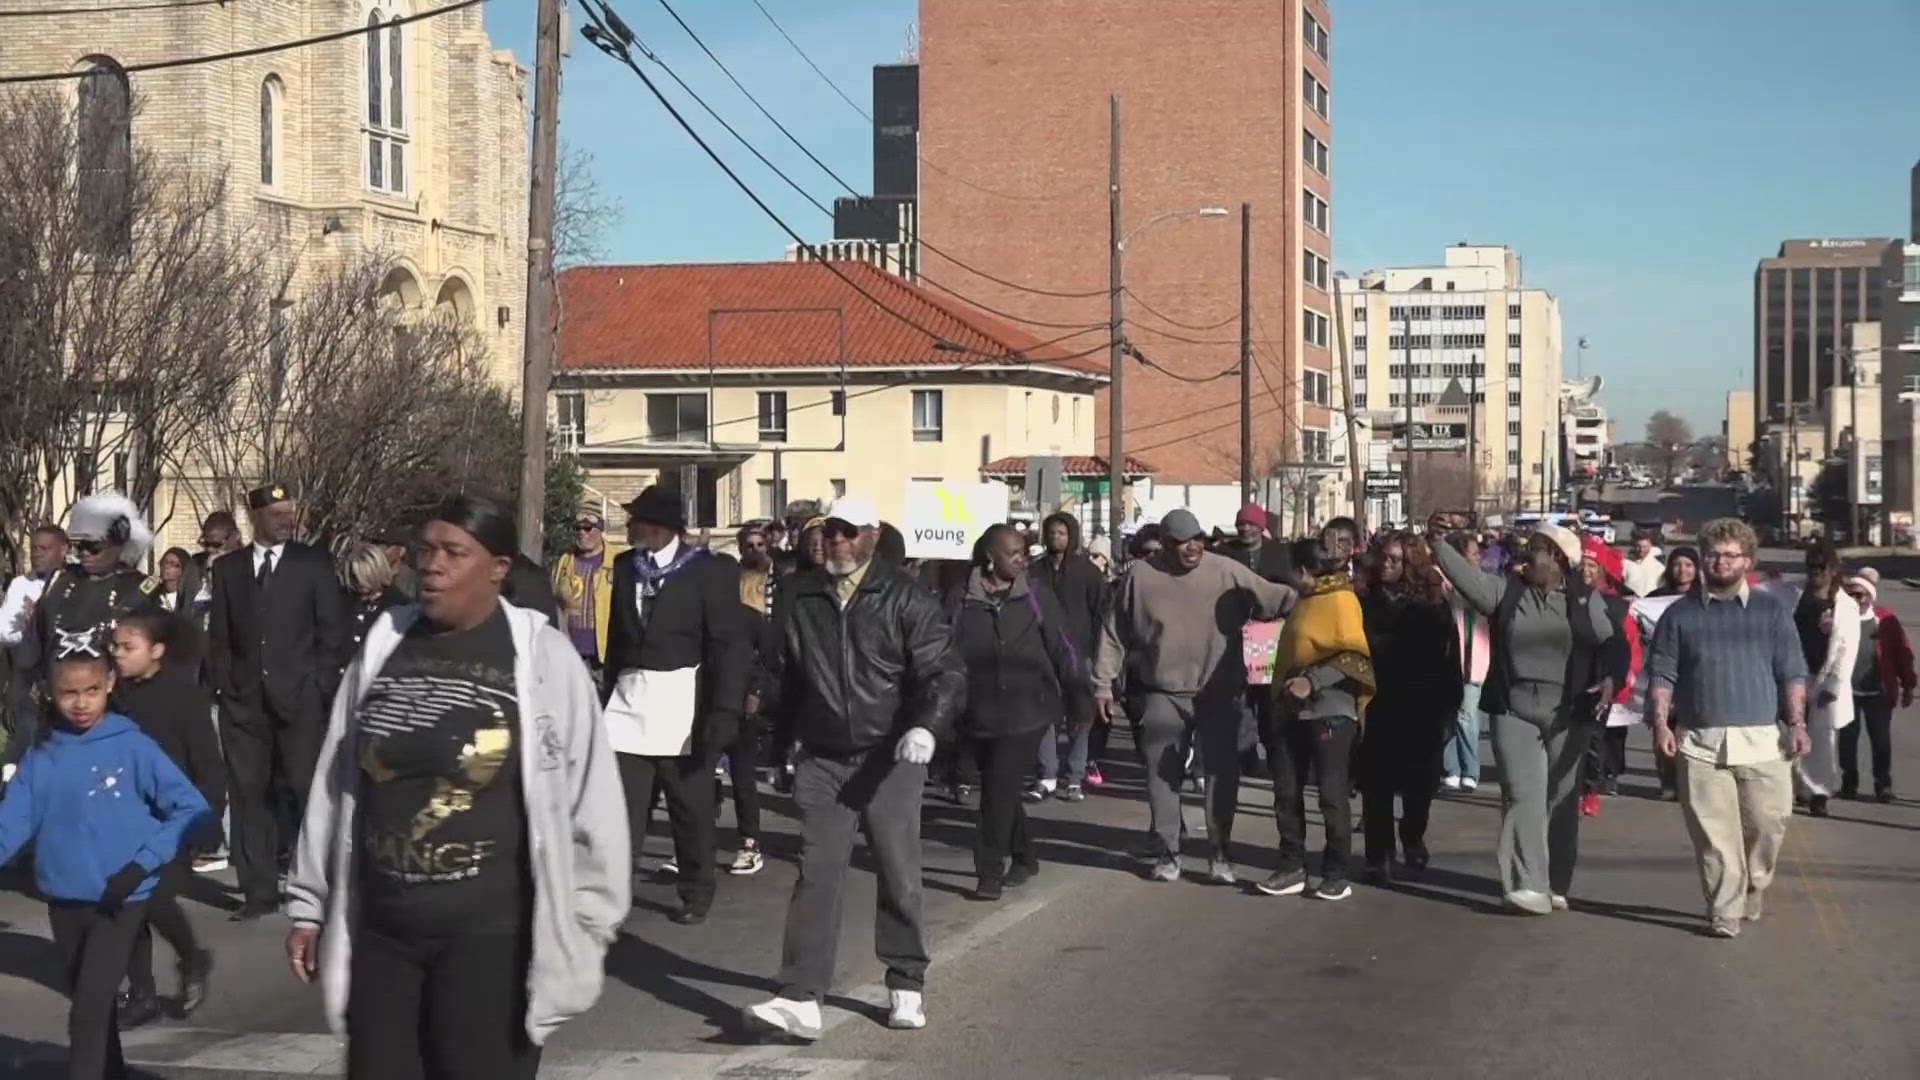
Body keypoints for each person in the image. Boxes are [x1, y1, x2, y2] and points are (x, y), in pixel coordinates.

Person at [284, 495, 629, 1079]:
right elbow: (337, 783)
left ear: (497, 567)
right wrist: (310, 906)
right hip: (384, 935)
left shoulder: (542, 658)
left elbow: (591, 798)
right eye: (426, 551)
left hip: (493, 939)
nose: (432, 565)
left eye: (453, 552)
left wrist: (589, 922)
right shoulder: (385, 644)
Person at [745, 495, 963, 1040]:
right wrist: (779, 751)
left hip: (890, 755)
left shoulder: (905, 598)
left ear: (871, 535)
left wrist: (925, 727)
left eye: (846, 532)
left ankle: (906, 980)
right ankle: (800, 995)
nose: (835, 541)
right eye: (829, 532)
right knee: (816, 873)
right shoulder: (801, 595)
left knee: (897, 871)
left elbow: (944, 670)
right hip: (822, 757)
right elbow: (792, 680)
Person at [0, 635, 208, 1080]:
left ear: (110, 684)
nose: (81, 703)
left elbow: (190, 805)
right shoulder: (43, 754)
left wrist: (141, 865)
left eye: (91, 691)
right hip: (64, 899)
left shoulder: (132, 747)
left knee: (87, 1015)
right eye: (69, 693)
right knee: (93, 1012)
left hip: (122, 898)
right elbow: (10, 824)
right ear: (50, 692)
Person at [1094, 508, 1294, 885]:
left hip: (1219, 692)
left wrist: (1317, 595)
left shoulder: (1225, 570)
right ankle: (1168, 852)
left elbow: (1275, 598)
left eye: (1197, 539)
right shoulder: (1141, 575)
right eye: (1183, 541)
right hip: (1162, 691)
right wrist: (1102, 684)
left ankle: (1220, 853)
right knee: (1161, 775)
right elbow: (1113, 632)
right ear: (1165, 544)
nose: (1192, 547)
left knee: (1221, 773)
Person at [1430, 517, 1614, 914]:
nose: (1527, 554)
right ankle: (1528, 886)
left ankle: (1556, 882)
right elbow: (1467, 580)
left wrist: (1610, 679)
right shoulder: (1507, 593)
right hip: (1514, 707)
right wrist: (1439, 542)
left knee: (1561, 800)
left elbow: (1610, 643)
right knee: (1522, 796)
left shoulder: (1583, 599)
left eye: (1538, 550)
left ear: (1559, 559)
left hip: (1568, 710)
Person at [1646, 517, 1810, 938]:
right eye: (1712, 555)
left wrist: (1797, 722)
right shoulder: (1678, 616)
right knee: (1715, 839)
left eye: (1729, 555)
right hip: (1701, 744)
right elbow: (1662, 676)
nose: (1719, 562)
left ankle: (1753, 886)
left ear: (1747, 561)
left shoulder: (1771, 612)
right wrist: (1662, 724)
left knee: (1768, 828)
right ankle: (1724, 907)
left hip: (1763, 742)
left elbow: (1791, 672)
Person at [601, 486, 750, 926]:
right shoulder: (627, 566)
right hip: (628, 700)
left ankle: (696, 889)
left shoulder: (709, 571)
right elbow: (617, 635)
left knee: (690, 808)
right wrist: (607, 690)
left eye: (635, 521)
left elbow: (728, 644)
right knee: (621, 808)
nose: (628, 528)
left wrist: (724, 712)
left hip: (682, 702)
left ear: (658, 527)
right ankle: (613, 897)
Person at [205, 482, 349, 921]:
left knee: (308, 793)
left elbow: (333, 634)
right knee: (249, 796)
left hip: (299, 703)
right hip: (245, 705)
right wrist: (228, 689)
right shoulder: (229, 568)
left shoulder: (312, 564)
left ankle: (322, 887)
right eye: (276, 513)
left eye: (289, 513)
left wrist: (319, 687)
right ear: (255, 517)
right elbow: (222, 637)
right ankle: (259, 892)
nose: (286, 520)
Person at [953, 524, 1090, 901]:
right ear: (989, 557)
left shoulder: (1035, 596)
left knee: (995, 791)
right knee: (1003, 791)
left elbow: (1065, 648)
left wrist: (1081, 699)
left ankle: (988, 872)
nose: (1022, 559)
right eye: (1013, 553)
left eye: (1023, 552)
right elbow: (940, 649)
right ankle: (1026, 856)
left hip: (1027, 711)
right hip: (976, 711)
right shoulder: (961, 598)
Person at [108, 612, 225, 1028]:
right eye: (115, 647)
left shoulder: (182, 693)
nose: (117, 655)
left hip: (171, 818)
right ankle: (141, 994)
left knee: (151, 899)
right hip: (121, 814)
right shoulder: (112, 691)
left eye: (128, 648)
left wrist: (207, 819)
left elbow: (207, 761)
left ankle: (192, 958)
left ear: (156, 651)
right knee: (126, 905)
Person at [1259, 537, 1372, 900]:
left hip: (1331, 713)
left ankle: (1336, 872)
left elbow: (1355, 658)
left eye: (1292, 571)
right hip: (1292, 712)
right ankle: (1291, 866)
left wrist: (1312, 681)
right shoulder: (1303, 602)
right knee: (1286, 791)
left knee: (1331, 794)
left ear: (1304, 570)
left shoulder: (1342, 600)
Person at [1357, 532, 1463, 884]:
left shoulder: (1432, 603)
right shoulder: (1364, 600)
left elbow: (1450, 655)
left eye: (1395, 560)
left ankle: (1412, 835)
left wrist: (1452, 702)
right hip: (1378, 701)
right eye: (1383, 558)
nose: (1386, 565)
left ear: (1411, 563)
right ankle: (1379, 854)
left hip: (1423, 703)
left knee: (1421, 785)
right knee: (1376, 784)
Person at [1026, 511, 1104, 801]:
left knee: (1080, 716)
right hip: (1043, 654)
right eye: (1051, 532)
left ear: (1072, 535)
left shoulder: (1088, 572)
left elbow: (1100, 614)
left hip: (1080, 654)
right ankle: (1046, 774)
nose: (1055, 537)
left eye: (1061, 532)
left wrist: (1097, 655)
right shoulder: (1035, 571)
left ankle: (1074, 776)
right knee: (1045, 714)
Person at [1576, 536, 1639, 817]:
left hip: (1601, 679)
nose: (1586, 571)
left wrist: (1624, 678)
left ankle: (1589, 790)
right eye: (1582, 565)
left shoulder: (1617, 606)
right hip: (1570, 676)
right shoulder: (1565, 596)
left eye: (1592, 565)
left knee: (1592, 738)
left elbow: (1630, 645)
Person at [1837, 567, 1910, 803]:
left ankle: (1883, 785)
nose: (1856, 599)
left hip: (1878, 691)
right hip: (1847, 692)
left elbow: (1902, 653)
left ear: (1870, 596)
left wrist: (1908, 683)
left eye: (1861, 595)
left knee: (1880, 741)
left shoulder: (1884, 620)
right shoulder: (1839, 617)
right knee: (1847, 741)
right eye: (1852, 595)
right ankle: (1849, 782)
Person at [1, 524, 68, 768]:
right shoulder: (20, 585)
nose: (37, 554)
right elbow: (4, 631)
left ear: (63, 549)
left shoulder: (73, 584)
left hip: (63, 676)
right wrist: (29, 628)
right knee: (25, 741)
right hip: (28, 678)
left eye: (44, 548)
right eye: (33, 549)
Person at [1798, 568, 1862, 818]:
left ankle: (1820, 793)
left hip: (1824, 682)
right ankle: (1799, 788)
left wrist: (1834, 684)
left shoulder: (1844, 606)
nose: (1818, 574)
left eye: (1823, 568)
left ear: (1833, 571)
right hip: (1795, 676)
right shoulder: (1797, 596)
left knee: (1822, 743)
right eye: (1813, 566)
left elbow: (1847, 649)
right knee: (1789, 736)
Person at [1442, 531, 1491, 793]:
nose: (1478, 558)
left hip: (1476, 656)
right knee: (1451, 713)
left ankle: (1470, 770)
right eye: (1473, 554)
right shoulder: (1445, 584)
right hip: (1452, 657)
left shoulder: (1484, 583)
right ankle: (1453, 768)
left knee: (1467, 714)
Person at [551, 509, 624, 681]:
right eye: (578, 529)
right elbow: (555, 601)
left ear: (600, 530)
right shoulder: (564, 560)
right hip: (569, 650)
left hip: (605, 654)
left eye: (588, 528)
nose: (582, 533)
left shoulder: (619, 561)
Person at [338, 542, 411, 654]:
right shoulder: (341, 600)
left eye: (363, 574)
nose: (358, 581)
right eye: (354, 575)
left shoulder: (399, 607)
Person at [1621, 528, 1665, 598]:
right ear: (1634, 546)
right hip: (1630, 600)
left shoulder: (1659, 566)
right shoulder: (1625, 563)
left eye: (1645, 547)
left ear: (1650, 546)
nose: (1641, 550)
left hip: (1651, 601)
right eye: (1638, 546)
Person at [154, 548, 190, 614]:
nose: (166, 566)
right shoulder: (153, 592)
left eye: (172, 564)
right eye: (165, 562)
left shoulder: (189, 596)